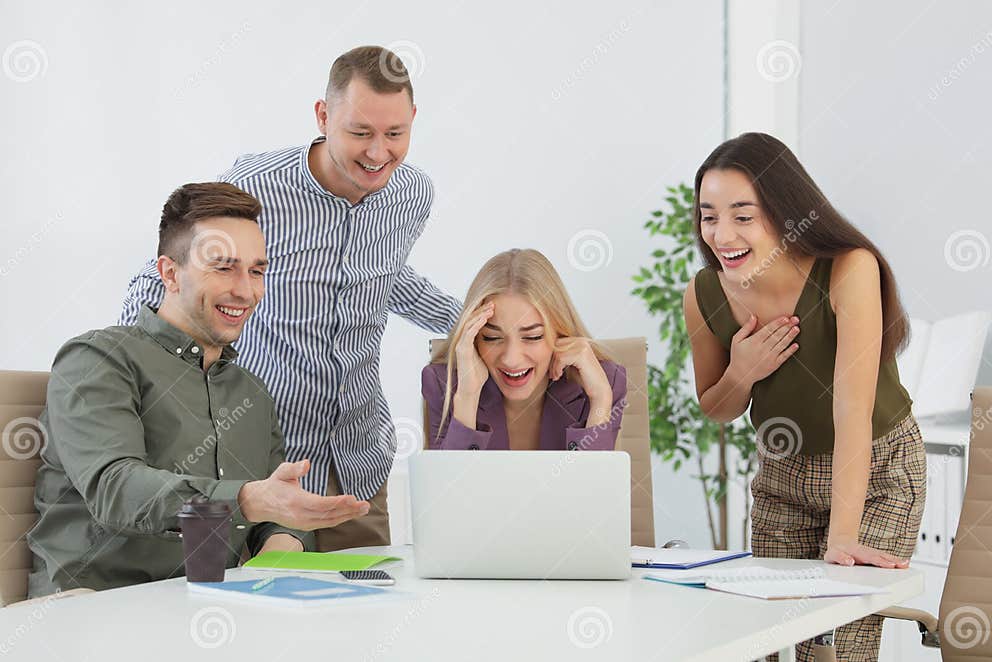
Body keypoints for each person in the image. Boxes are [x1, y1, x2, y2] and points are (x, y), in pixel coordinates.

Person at [119, 46, 461, 552]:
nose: (377, 152)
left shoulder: (412, 194)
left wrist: (480, 320)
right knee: (255, 619)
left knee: (366, 618)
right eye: (360, 132)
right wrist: (123, 377)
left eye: (395, 134)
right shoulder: (256, 185)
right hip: (258, 467)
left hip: (357, 466)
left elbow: (385, 276)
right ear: (323, 116)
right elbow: (163, 279)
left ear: (413, 119)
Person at [28, 183, 370, 596]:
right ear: (170, 273)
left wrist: (283, 541)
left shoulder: (251, 393)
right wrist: (244, 500)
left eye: (257, 270)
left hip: (207, 609)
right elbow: (115, 489)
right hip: (93, 607)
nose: (246, 291)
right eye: (223, 268)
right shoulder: (99, 358)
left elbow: (274, 505)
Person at [683, 132, 925, 661]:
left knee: (839, 647)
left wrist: (842, 538)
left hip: (876, 470)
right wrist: (742, 373)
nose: (722, 233)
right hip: (782, 477)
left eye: (743, 215)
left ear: (785, 209)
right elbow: (717, 408)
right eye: (709, 215)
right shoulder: (703, 294)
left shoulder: (847, 268)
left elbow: (852, 408)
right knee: (767, 642)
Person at [422, 249, 626, 451]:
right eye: (492, 338)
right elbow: (449, 483)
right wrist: (467, 397)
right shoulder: (443, 385)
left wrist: (600, 398)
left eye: (532, 337)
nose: (511, 359)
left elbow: (592, 483)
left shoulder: (604, 382)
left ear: (560, 331)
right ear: (474, 339)